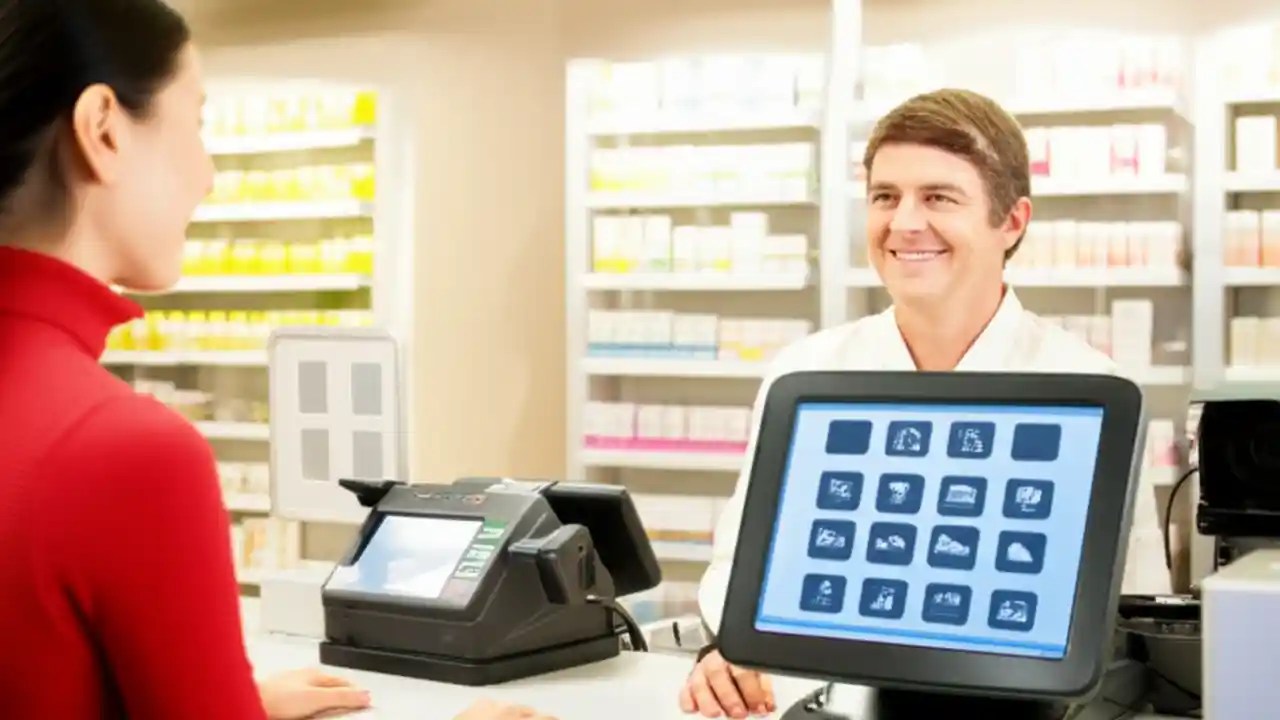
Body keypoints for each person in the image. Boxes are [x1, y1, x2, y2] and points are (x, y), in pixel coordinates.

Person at [0, 2, 556, 719]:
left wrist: (219, 699)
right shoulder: (127, 454)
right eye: (195, 123)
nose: (207, 175)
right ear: (102, 128)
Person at [677, 88, 1119, 719]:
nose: (904, 222)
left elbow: (1128, 615)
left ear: (1012, 221)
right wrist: (730, 654)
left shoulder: (1088, 386)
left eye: (938, 197)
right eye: (885, 196)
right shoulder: (808, 372)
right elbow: (738, 568)